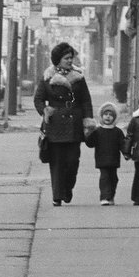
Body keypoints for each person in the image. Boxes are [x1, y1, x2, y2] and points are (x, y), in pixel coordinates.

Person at [34, 42, 94, 206]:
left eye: (71, 58)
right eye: (66, 58)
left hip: (74, 124)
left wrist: (88, 121)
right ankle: (57, 196)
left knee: (73, 161)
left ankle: (67, 188)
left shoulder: (78, 77)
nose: (69, 61)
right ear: (58, 60)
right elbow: (38, 99)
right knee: (57, 162)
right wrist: (45, 110)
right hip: (55, 125)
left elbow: (86, 101)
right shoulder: (48, 77)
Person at [84, 101, 125, 205]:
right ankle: (104, 197)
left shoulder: (118, 132)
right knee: (105, 177)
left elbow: (123, 145)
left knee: (114, 179)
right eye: (106, 114)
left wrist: (126, 153)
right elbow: (90, 143)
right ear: (101, 116)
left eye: (111, 115)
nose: (108, 117)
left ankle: (110, 196)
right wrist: (88, 133)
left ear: (114, 117)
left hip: (114, 159)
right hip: (102, 159)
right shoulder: (98, 131)